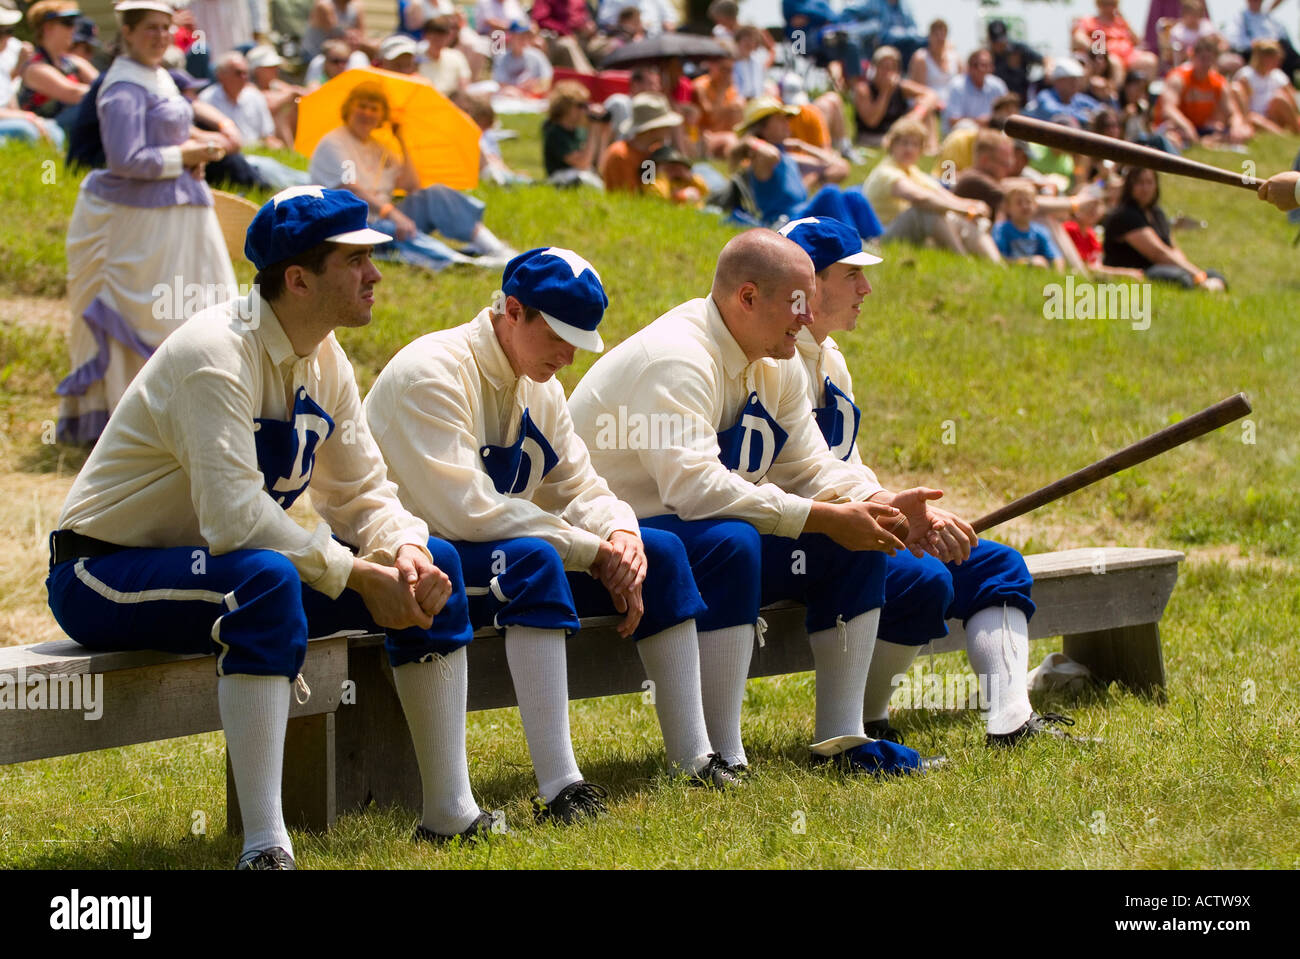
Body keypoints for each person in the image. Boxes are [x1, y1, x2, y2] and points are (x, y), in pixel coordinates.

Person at [48, 185, 488, 869]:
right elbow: (233, 520)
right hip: (100, 571)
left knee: (439, 564)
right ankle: (264, 846)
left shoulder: (327, 355)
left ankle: (450, 812)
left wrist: (399, 550)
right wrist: (351, 573)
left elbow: (363, 491)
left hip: (218, 565)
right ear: (298, 278)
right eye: (356, 261)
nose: (376, 275)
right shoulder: (213, 353)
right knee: (261, 581)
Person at [365, 249, 741, 821]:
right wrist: (591, 550)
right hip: (416, 563)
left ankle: (695, 760)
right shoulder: (432, 371)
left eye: (580, 341)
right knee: (534, 560)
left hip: (489, 558)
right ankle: (562, 787)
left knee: (660, 551)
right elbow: (468, 513)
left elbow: (581, 485)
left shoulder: (537, 384)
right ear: (512, 310)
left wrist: (620, 532)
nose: (568, 356)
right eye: (560, 336)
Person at [570, 230, 951, 776]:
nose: (809, 314)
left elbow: (809, 466)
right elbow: (694, 489)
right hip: (614, 550)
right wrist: (822, 517)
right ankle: (723, 755)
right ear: (747, 297)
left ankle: (845, 741)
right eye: (799, 301)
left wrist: (876, 504)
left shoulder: (779, 354)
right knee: (735, 541)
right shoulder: (676, 357)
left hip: (695, 541)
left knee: (854, 540)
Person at [777, 215, 1087, 746]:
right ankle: (868, 725)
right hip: (806, 542)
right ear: (808, 283)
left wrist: (907, 515)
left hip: (861, 521)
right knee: (925, 581)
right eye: (850, 274)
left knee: (994, 564)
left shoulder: (830, 358)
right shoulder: (776, 358)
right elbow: (801, 476)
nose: (866, 288)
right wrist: (894, 513)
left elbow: (847, 464)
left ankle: (1011, 720)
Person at [57, 0, 234, 445]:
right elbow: (126, 159)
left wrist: (200, 143)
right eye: (150, 28)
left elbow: (167, 132)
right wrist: (189, 155)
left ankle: (186, 417)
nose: (159, 36)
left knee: (192, 310)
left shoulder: (159, 76)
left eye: (165, 29)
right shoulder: (122, 85)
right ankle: (126, 423)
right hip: (138, 219)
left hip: (180, 213)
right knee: (146, 311)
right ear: (129, 33)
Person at [307, 80, 516, 271]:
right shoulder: (334, 142)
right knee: (393, 226)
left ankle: (494, 248)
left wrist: (401, 140)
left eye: (374, 109)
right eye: (361, 106)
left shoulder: (379, 147)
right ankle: (461, 263)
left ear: (382, 115)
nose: (367, 113)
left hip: (382, 215)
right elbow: (350, 188)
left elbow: (412, 185)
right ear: (349, 108)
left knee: (435, 194)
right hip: (353, 224)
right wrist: (393, 213)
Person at [728, 97, 882, 238]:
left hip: (802, 214)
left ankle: (877, 240)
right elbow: (771, 154)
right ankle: (852, 243)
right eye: (780, 120)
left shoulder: (788, 157)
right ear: (763, 128)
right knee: (830, 193)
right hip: (785, 223)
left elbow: (838, 165)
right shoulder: (761, 160)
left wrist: (803, 146)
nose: (787, 124)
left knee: (853, 194)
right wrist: (750, 139)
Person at [863, 117, 1000, 260]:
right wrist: (963, 209)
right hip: (882, 236)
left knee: (959, 217)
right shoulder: (886, 172)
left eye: (915, 144)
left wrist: (972, 206)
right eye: (904, 143)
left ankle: (997, 265)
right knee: (926, 209)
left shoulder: (912, 171)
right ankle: (963, 259)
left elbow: (941, 194)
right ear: (892, 145)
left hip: (907, 232)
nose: (909, 149)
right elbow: (919, 197)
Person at [198, 51, 308, 189]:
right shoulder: (207, 100)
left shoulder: (254, 96)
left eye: (246, 73)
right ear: (221, 75)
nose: (244, 77)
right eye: (238, 73)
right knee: (278, 177)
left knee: (286, 174)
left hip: (258, 152)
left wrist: (276, 145)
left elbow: (267, 136)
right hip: (230, 158)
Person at [1102, 165, 1225, 288]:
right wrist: (1197, 275)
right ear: (1129, 186)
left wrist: (1195, 271)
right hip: (1140, 270)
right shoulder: (1125, 215)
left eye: (1149, 182)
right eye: (1139, 183)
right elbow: (1158, 253)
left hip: (1160, 266)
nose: (1145, 188)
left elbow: (1171, 247)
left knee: (1214, 274)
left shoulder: (1157, 213)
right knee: (1182, 278)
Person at [18, 1, 98, 134]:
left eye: (74, 23)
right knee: (95, 107)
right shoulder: (34, 67)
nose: (73, 29)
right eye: (68, 22)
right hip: (48, 129)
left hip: (68, 125)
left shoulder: (72, 62)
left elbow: (101, 82)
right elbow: (73, 93)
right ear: (48, 27)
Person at [1158, 35, 1253, 146]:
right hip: (1178, 126)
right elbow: (1168, 109)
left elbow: (1233, 113)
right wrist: (1187, 127)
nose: (1206, 64)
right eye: (1203, 59)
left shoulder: (1218, 81)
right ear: (1193, 56)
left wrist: (1236, 126)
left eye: (1210, 59)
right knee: (1172, 137)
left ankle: (1205, 142)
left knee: (1245, 131)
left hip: (1202, 128)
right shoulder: (1178, 78)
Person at [852, 45, 937, 148]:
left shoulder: (901, 86)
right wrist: (885, 93)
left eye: (892, 67)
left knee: (926, 109)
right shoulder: (863, 89)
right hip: (873, 136)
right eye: (884, 67)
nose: (888, 72)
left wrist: (917, 114)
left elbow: (931, 95)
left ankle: (932, 149)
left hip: (897, 132)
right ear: (874, 68)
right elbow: (872, 121)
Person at [599, 91, 680, 192]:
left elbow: (649, 190)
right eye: (665, 126)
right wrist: (662, 175)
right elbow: (632, 199)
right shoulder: (620, 155)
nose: (669, 129)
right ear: (652, 129)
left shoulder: (652, 152)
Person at [542, 80, 610, 187]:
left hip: (581, 175)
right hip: (561, 178)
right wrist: (592, 128)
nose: (584, 110)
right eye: (580, 105)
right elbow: (582, 163)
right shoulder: (554, 132)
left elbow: (600, 166)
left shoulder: (580, 131)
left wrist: (603, 131)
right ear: (565, 106)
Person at [1072, 0, 1159, 78]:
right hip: (1107, 57)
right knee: (1115, 63)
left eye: (1113, 4)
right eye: (1106, 4)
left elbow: (1137, 42)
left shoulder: (1120, 22)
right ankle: (1114, 95)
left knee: (1150, 60)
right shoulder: (1089, 21)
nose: (1110, 8)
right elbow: (1078, 38)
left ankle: (1143, 94)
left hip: (1129, 57)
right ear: (1098, 5)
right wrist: (1094, 48)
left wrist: (1123, 19)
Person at [991, 180, 1064, 271]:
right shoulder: (1001, 230)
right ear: (1007, 208)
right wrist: (1029, 263)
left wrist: (1058, 273)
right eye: (1019, 203)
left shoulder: (1040, 231)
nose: (1025, 206)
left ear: (1035, 206)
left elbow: (1056, 257)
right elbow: (1000, 258)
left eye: (1028, 202)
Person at [1232, 38, 1299, 135]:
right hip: (1254, 117)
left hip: (1274, 115)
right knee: (1254, 118)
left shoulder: (1278, 75)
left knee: (1280, 98)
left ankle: (1296, 129)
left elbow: (1293, 100)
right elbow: (1244, 108)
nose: (1277, 60)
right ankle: (1281, 134)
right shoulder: (1246, 76)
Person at [942, 48, 1008, 131]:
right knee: (965, 126)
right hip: (964, 137)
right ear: (970, 67)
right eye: (982, 65)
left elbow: (1008, 113)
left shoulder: (998, 85)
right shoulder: (957, 86)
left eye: (989, 65)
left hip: (991, 134)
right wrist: (983, 122)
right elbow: (953, 121)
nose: (985, 69)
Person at [1026, 59, 1104, 128]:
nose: (1075, 84)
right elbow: (1053, 113)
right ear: (1058, 81)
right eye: (1071, 80)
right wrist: (1084, 116)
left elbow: (1102, 111)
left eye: (1077, 80)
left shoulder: (1079, 99)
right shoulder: (1045, 96)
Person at [987, 18, 1042, 106]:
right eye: (995, 42)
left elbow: (1044, 60)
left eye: (1001, 41)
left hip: (1022, 100)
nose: (999, 45)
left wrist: (1048, 70)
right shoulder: (987, 56)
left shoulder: (1018, 49)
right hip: (998, 103)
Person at [906, 19, 959, 110]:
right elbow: (918, 90)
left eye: (943, 35)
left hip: (953, 107)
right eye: (936, 35)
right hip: (929, 107)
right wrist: (935, 102)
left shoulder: (955, 57)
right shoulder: (921, 58)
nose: (940, 38)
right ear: (929, 36)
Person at [493, 23, 552, 97]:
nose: (524, 39)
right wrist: (518, 91)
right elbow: (500, 83)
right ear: (511, 37)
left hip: (532, 98)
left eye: (526, 36)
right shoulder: (501, 58)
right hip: (509, 98)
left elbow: (546, 79)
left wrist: (535, 88)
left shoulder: (537, 55)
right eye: (520, 36)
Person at [417, 15, 470, 97]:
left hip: (449, 104)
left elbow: (463, 86)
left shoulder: (457, 57)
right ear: (426, 36)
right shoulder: (416, 57)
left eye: (443, 36)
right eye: (435, 36)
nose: (439, 41)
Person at [304, 37, 369, 90]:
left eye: (344, 61)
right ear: (325, 60)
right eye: (335, 61)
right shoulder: (317, 63)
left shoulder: (356, 63)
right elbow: (312, 89)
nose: (341, 65)